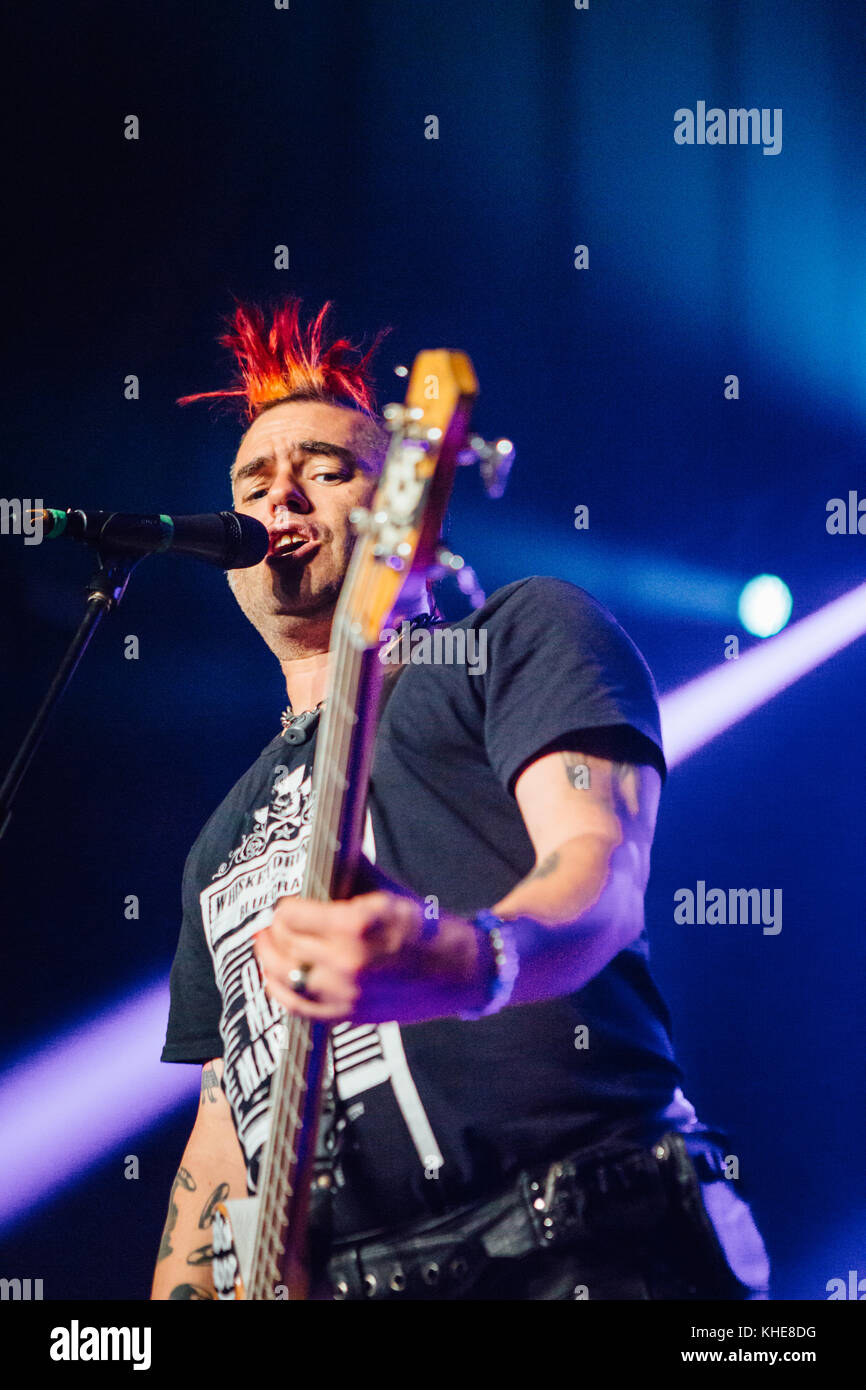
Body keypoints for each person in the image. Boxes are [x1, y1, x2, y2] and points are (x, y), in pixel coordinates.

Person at [152, 299, 770, 1301]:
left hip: (582, 1242)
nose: (281, 499)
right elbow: (222, 1131)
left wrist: (465, 958)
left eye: (325, 469)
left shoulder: (514, 637)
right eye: (254, 481)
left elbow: (598, 872)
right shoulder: (214, 844)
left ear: (409, 499)